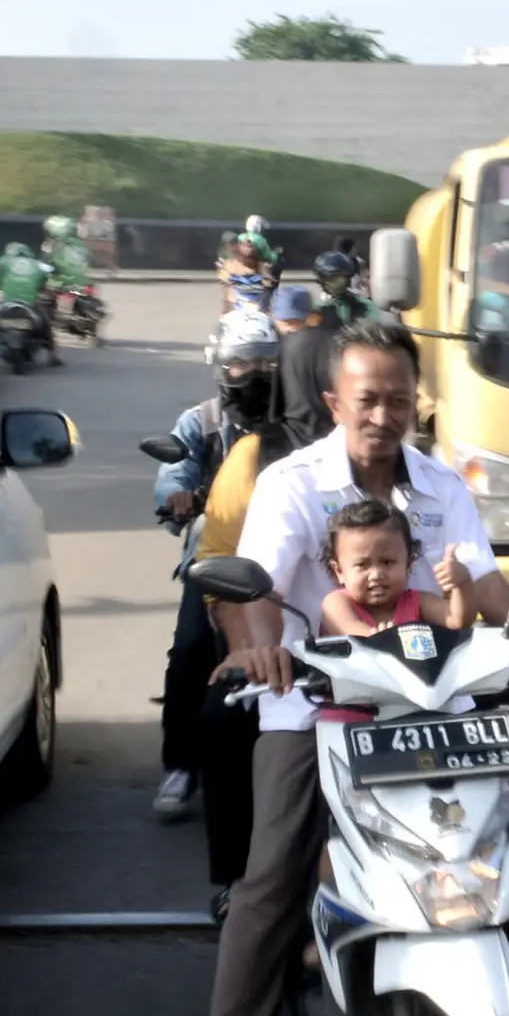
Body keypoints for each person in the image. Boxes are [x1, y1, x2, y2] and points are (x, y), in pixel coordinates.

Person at [179, 321, 509, 1016]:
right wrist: (258, 649)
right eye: (368, 399)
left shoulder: (441, 484)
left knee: (498, 817)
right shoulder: (292, 484)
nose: (385, 414)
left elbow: (480, 583)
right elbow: (253, 587)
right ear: (335, 402)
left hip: (431, 699)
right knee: (272, 875)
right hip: (313, 702)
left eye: (400, 399)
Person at [153, 314, 286, 832]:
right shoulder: (202, 423)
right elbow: (172, 474)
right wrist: (178, 498)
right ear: (219, 366)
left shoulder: (295, 420)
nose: (252, 374)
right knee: (190, 649)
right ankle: (180, 765)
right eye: (240, 363)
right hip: (214, 560)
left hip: (284, 559)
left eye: (264, 363)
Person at [319, 499, 476, 635]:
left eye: (387, 562)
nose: (376, 574)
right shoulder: (337, 603)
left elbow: (458, 620)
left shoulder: (417, 602)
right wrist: (383, 638)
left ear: (408, 564)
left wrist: (462, 584)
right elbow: (351, 629)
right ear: (339, 571)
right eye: (362, 565)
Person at [273, 283, 342, 449]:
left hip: (294, 438)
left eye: (290, 322)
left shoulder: (282, 347)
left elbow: (275, 406)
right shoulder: (337, 341)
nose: (288, 328)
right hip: (333, 435)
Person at [312, 249, 372, 327]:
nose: (332, 285)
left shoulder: (368, 307)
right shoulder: (316, 311)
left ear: (348, 278)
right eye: (329, 279)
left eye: (337, 279)